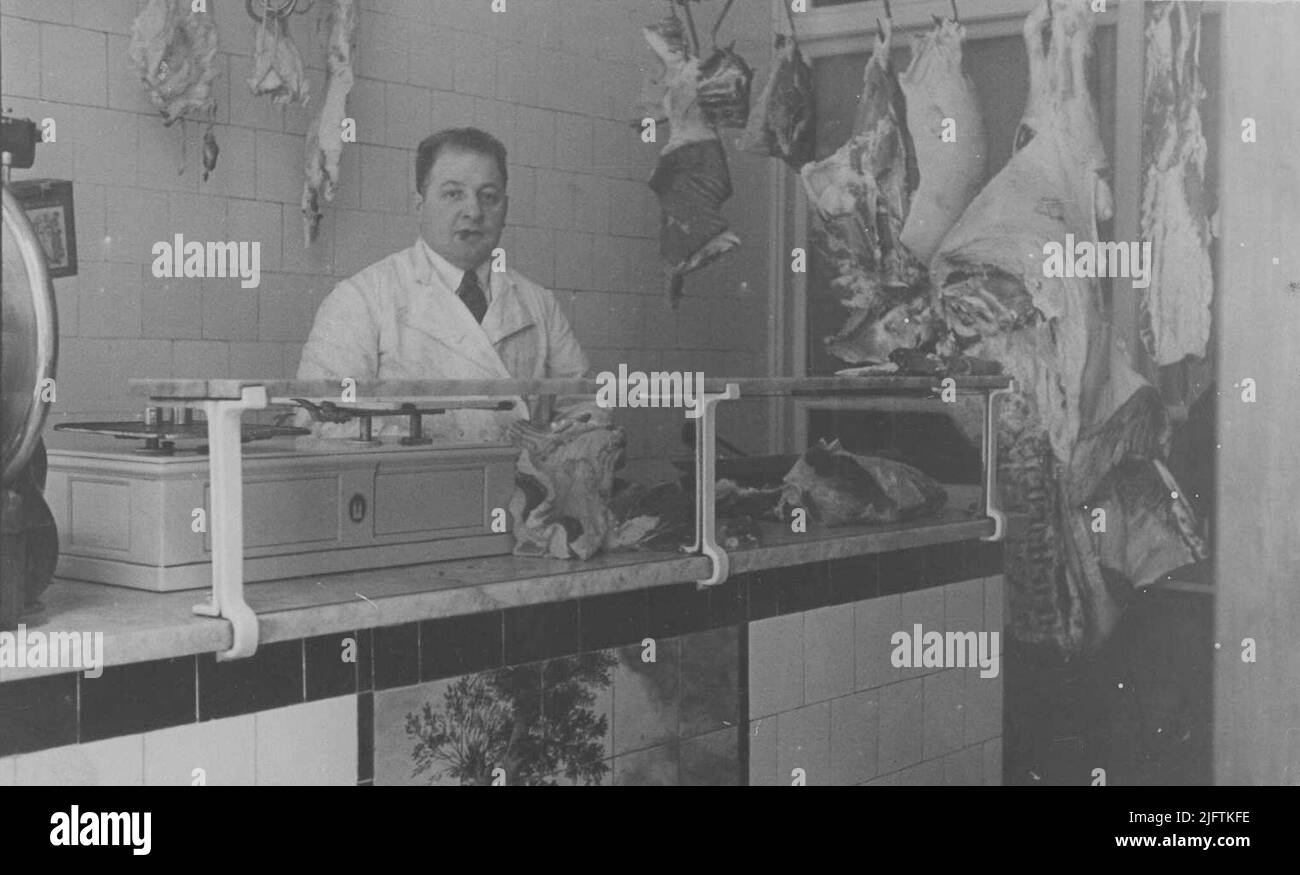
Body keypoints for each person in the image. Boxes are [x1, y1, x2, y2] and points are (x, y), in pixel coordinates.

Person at [296, 127, 594, 442]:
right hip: (418, 487)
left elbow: (585, 406)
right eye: (453, 194)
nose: (474, 211)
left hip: (527, 487)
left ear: (505, 208)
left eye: (488, 196)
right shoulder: (360, 299)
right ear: (419, 204)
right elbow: (318, 420)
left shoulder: (538, 303)